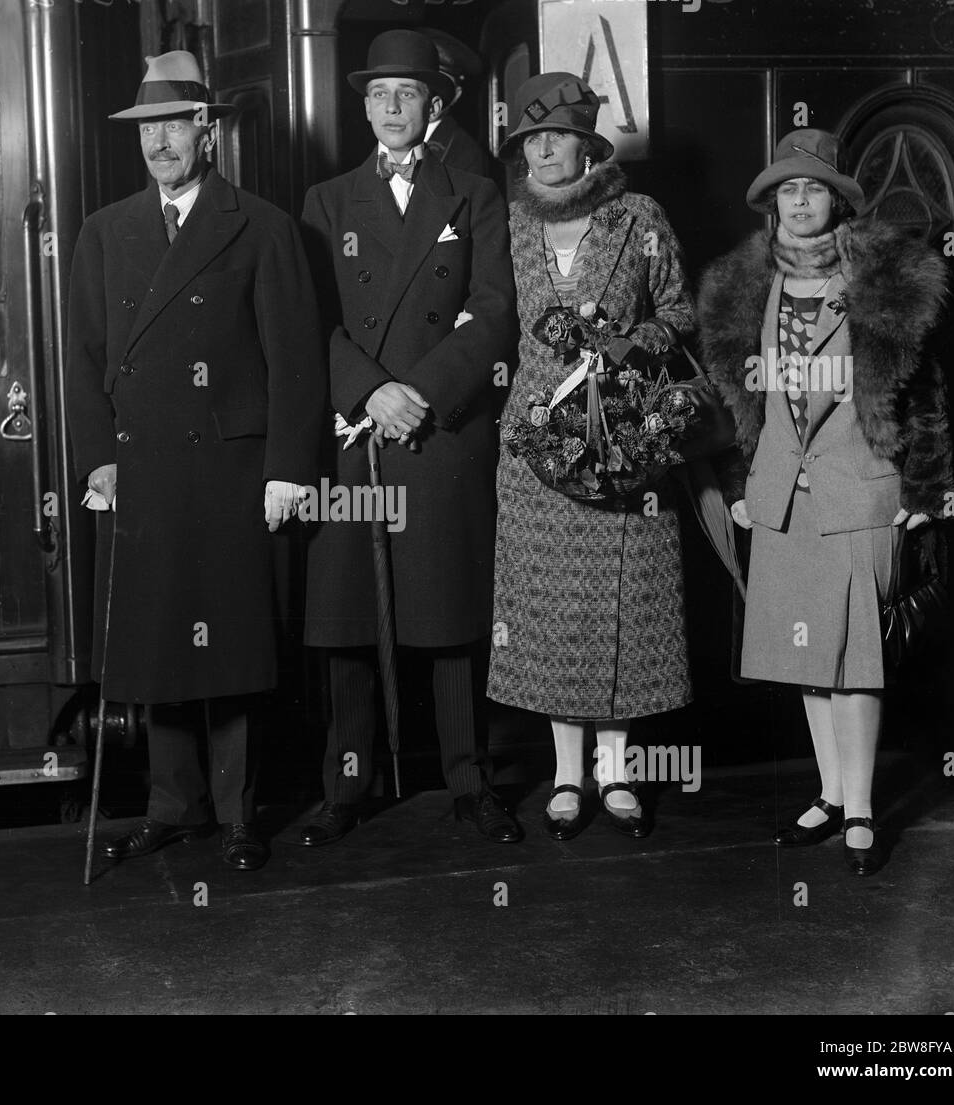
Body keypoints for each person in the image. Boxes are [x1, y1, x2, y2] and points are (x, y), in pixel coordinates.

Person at [65, 52, 325, 872]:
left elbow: (295, 362)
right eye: (147, 130)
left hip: (230, 468)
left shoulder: (264, 225)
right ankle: (173, 807)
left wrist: (288, 467)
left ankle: (241, 813)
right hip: (141, 473)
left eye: (174, 125)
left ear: (206, 131)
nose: (160, 143)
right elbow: (83, 358)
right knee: (153, 642)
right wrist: (97, 462)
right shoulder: (105, 231)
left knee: (234, 647)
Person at [700, 128, 954, 875]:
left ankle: (865, 808)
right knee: (807, 656)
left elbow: (929, 394)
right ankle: (830, 791)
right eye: (788, 189)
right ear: (773, 204)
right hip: (781, 493)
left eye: (814, 188)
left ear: (839, 201)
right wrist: (740, 484)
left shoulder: (884, 281)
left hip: (858, 489)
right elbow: (727, 399)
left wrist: (928, 488)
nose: (801, 201)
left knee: (857, 658)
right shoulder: (744, 287)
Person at [298, 29, 520, 845]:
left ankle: (471, 781)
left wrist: (420, 393)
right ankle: (345, 788)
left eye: (409, 95)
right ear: (364, 108)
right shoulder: (325, 201)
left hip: (439, 430)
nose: (393, 108)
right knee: (350, 620)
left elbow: (497, 312)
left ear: (434, 105)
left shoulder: (473, 194)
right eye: (379, 95)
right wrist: (372, 391)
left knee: (451, 615)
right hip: (359, 431)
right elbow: (309, 323)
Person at [487, 74, 696, 842]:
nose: (542, 150)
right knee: (551, 612)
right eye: (530, 140)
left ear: (590, 145)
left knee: (623, 605)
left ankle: (618, 772)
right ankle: (567, 774)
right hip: (538, 443)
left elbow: (678, 309)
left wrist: (632, 344)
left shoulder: (638, 218)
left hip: (626, 446)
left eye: (558, 136)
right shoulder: (506, 225)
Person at [418, 28, 496, 179]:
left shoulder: (466, 154)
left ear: (456, 95)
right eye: (423, 85)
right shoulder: (394, 136)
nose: (429, 96)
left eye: (440, 87)